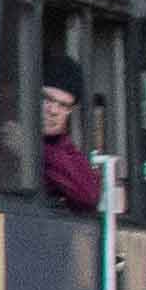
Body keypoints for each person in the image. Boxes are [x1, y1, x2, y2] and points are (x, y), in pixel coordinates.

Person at [38, 53, 104, 212]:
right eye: (46, 98)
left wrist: (35, 151)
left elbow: (89, 194)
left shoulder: (65, 151)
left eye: (63, 105)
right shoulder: (0, 133)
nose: (53, 110)